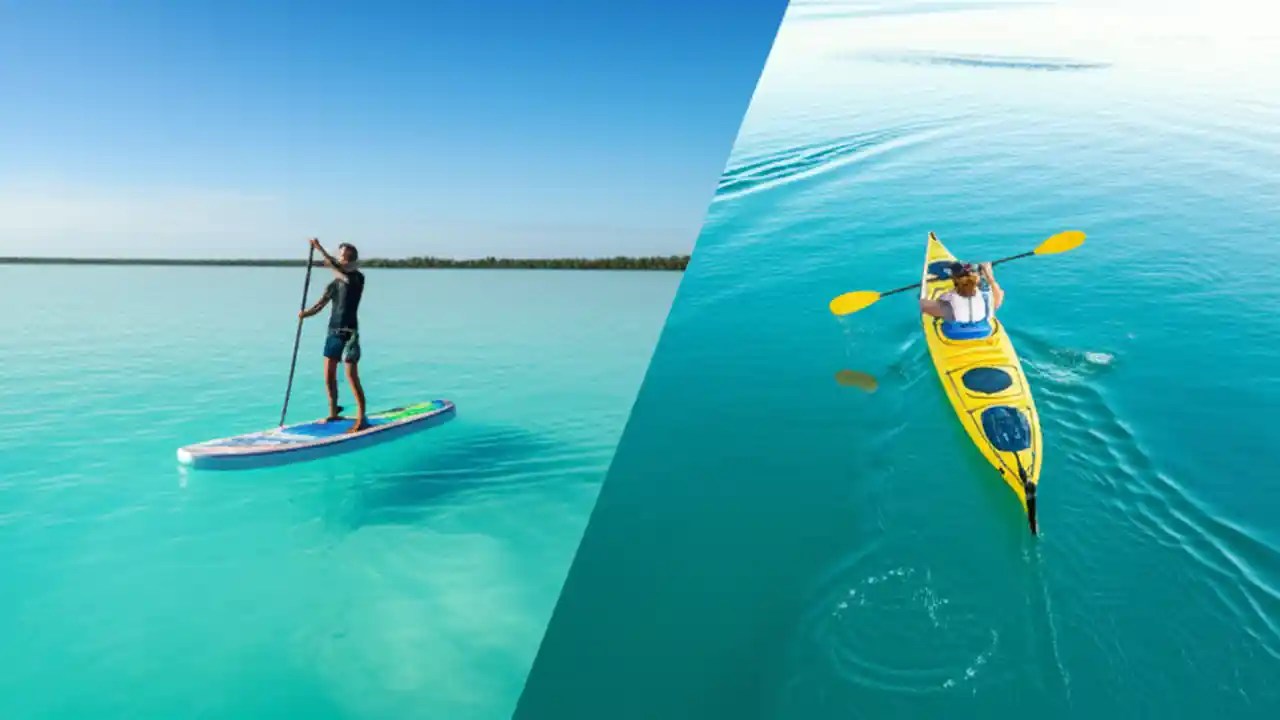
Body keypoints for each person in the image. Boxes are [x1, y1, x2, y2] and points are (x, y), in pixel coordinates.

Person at [298, 238, 368, 432]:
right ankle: (333, 413)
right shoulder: (333, 285)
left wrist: (319, 248)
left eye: (345, 257)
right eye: (340, 256)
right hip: (333, 332)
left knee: (351, 376)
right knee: (328, 376)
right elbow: (320, 305)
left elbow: (342, 270)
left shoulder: (357, 279)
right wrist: (305, 314)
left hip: (350, 333)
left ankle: (361, 418)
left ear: (352, 260)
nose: (341, 259)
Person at [919, 261, 1003, 340]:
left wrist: (922, 296)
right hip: (984, 332)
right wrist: (989, 275)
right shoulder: (986, 297)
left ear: (954, 279)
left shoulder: (949, 301)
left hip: (954, 335)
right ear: (976, 280)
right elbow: (999, 295)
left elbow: (923, 306)